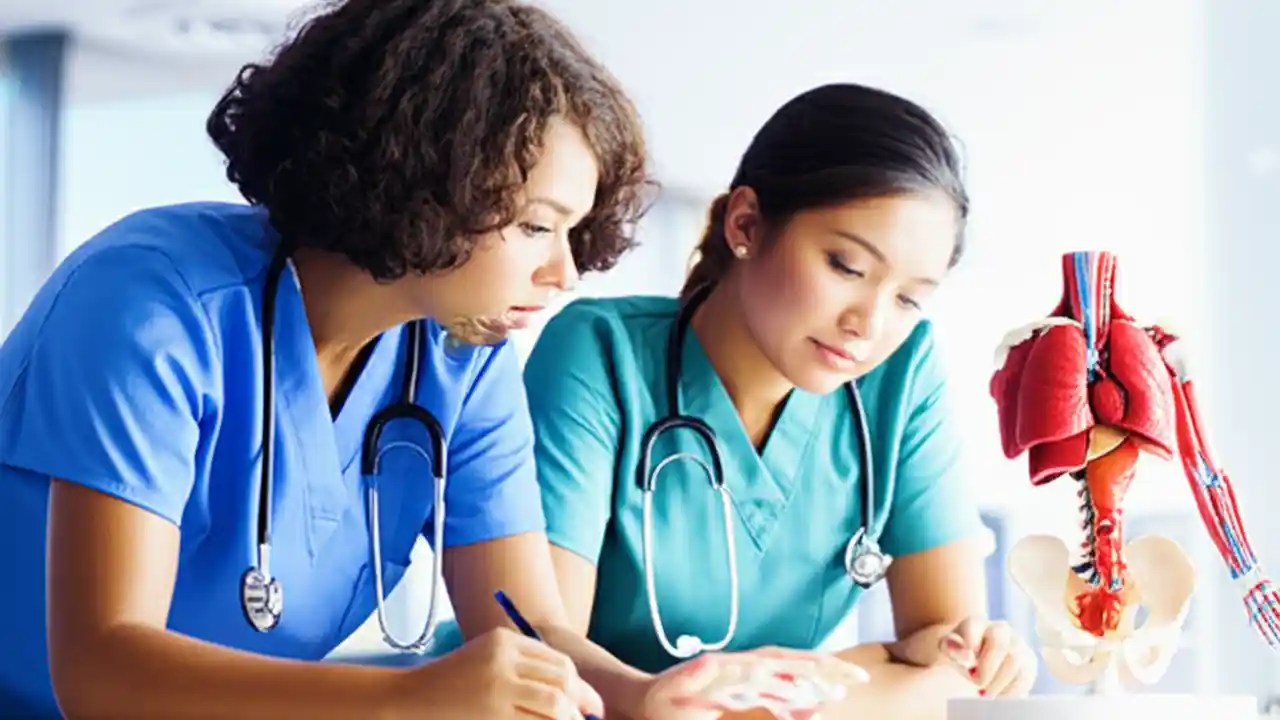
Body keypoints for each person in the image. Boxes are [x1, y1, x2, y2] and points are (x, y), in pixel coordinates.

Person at [0, 0, 657, 716]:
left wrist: (646, 697)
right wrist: (411, 698)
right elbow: (101, 671)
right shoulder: (155, 302)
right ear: (425, 181)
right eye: (536, 226)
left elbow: (531, 627)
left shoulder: (461, 356)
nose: (564, 271)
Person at [522, 82, 1041, 718]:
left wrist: (956, 656)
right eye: (846, 266)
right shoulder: (599, 355)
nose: (869, 324)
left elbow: (952, 666)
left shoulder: (902, 375)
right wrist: (862, 673)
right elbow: (543, 655)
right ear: (745, 224)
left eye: (908, 297)